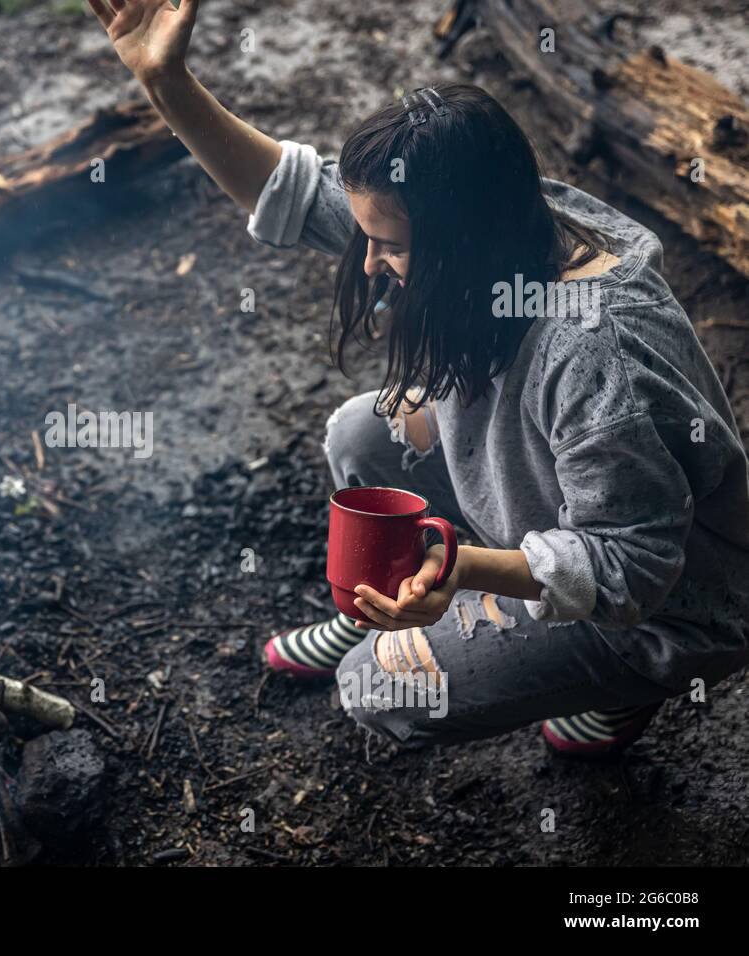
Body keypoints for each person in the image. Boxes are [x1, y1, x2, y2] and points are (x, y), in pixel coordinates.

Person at [87, 0, 749, 755]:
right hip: (552, 502)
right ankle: (378, 597)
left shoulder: (596, 350)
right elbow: (290, 190)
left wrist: (460, 567)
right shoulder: (505, 222)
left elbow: (633, 565)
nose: (368, 265)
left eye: (389, 248)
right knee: (364, 435)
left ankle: (628, 681)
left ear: (460, 246)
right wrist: (164, 80)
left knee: (376, 685)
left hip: (671, 607)